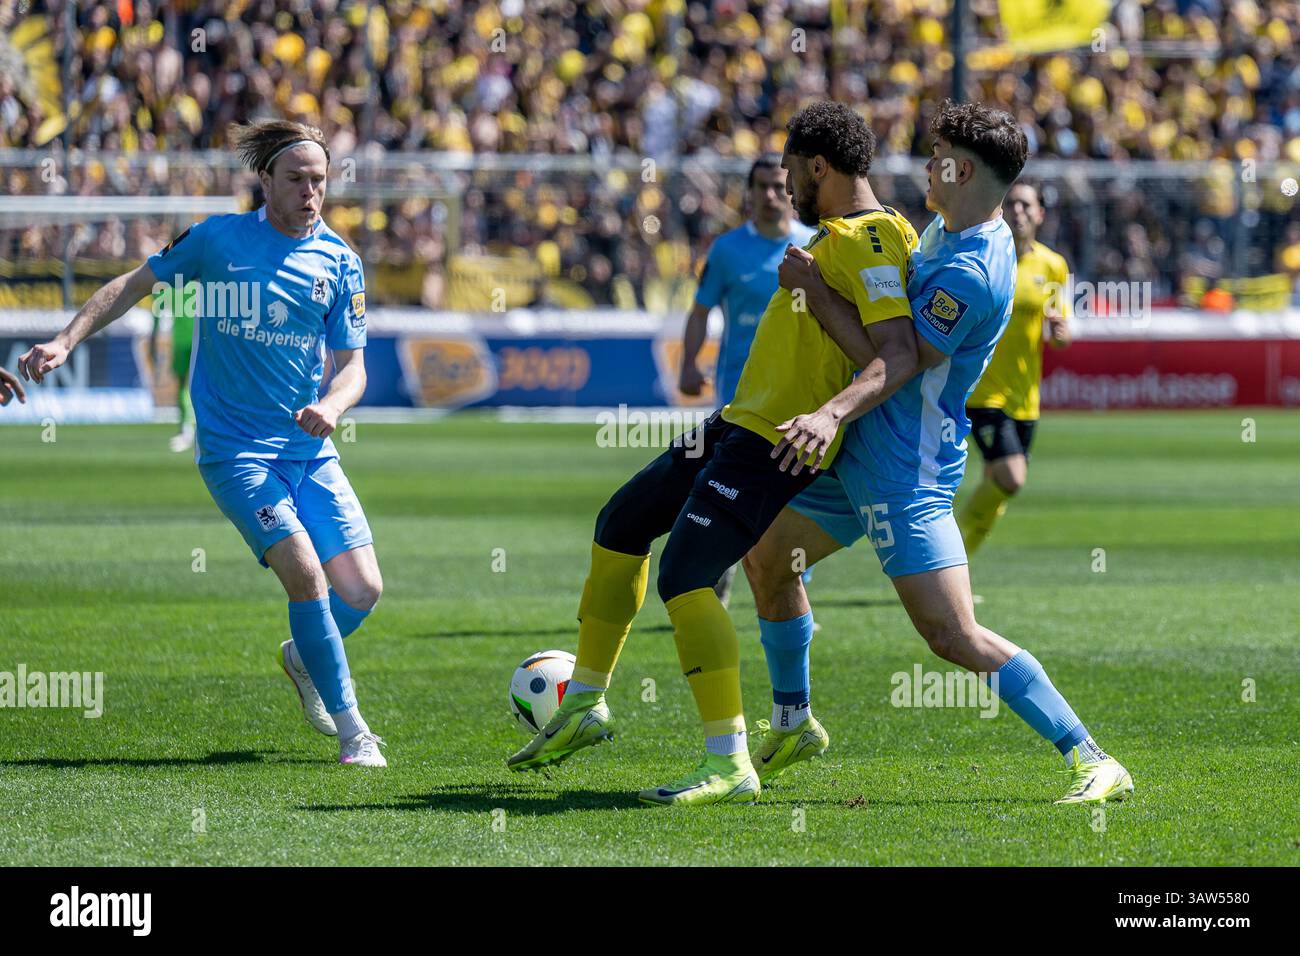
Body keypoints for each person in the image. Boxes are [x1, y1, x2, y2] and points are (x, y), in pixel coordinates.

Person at [507, 101, 920, 806]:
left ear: (817, 164)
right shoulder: (835, 239)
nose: (786, 187)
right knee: (620, 521)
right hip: (734, 421)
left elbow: (897, 356)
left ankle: (727, 762)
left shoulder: (873, 237)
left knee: (688, 574)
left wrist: (827, 407)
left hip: (777, 437)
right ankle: (586, 703)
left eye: (791, 170)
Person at [741, 101, 1133, 806]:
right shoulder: (946, 230)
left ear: (967, 170)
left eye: (938, 155)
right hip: (862, 448)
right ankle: (793, 721)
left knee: (951, 635)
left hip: (903, 467)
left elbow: (895, 364)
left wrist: (817, 297)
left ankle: (1092, 755)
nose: (927, 166)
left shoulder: (974, 271)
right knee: (768, 560)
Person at [18, 119, 388, 768]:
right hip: (235, 452)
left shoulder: (340, 262)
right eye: (297, 179)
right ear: (265, 180)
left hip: (308, 451)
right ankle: (355, 732)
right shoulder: (218, 242)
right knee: (304, 574)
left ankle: (304, 658)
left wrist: (331, 405)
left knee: (361, 592)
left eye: (320, 181)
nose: (310, 192)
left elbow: (353, 366)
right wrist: (66, 339)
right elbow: (135, 284)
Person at [679, 154, 816, 606]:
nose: (771, 195)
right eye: (761, 187)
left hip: (801, 393)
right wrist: (689, 362)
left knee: (793, 496)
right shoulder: (726, 250)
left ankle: (790, 591)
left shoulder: (815, 245)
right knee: (727, 487)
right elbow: (700, 311)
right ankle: (720, 566)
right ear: (749, 192)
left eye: (780, 186)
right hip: (739, 396)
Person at [958, 180, 1071, 555]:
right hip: (983, 391)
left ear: (1040, 214)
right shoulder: (988, 256)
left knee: (998, 486)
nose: (1018, 211)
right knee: (1012, 477)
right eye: (1013, 204)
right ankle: (944, 552)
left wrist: (1059, 331)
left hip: (1026, 396)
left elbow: (1060, 336)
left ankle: (955, 578)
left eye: (1027, 205)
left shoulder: (1053, 266)